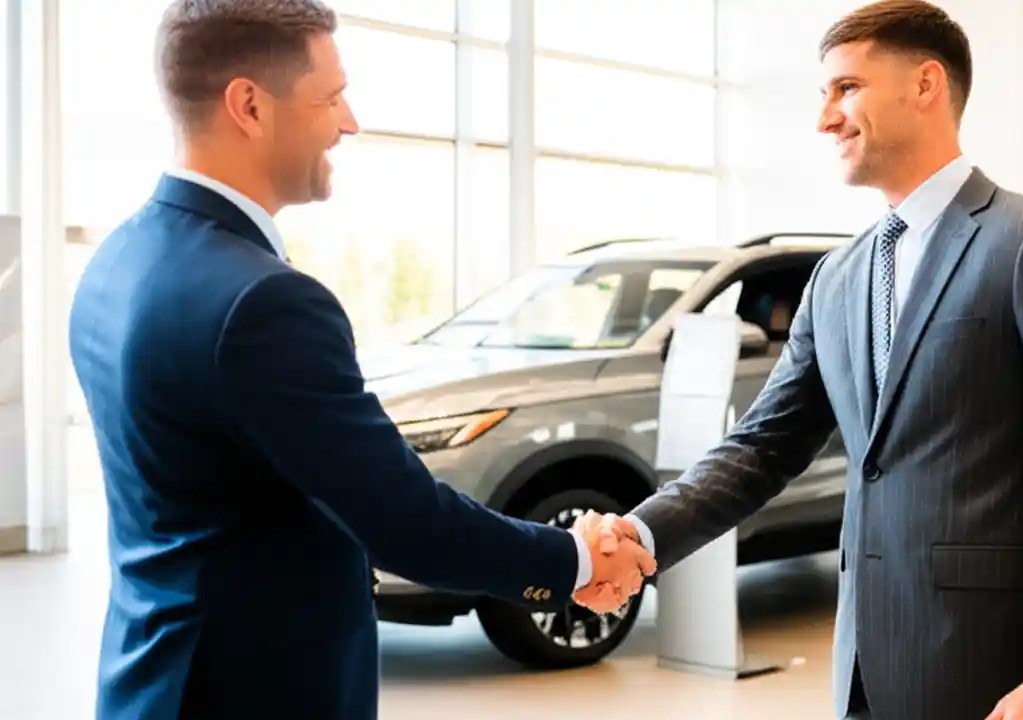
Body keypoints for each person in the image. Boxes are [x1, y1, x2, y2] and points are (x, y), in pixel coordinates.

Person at [581, 1, 1023, 719]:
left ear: (925, 84)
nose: (825, 119)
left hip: (1001, 673)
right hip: (864, 670)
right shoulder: (836, 278)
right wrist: (640, 533)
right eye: (824, 94)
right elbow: (761, 447)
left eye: (847, 88)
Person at [68, 2, 651, 718]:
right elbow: (406, 522)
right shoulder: (264, 302)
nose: (348, 122)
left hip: (149, 682)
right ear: (249, 105)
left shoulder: (116, 263)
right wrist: (577, 561)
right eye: (331, 97)